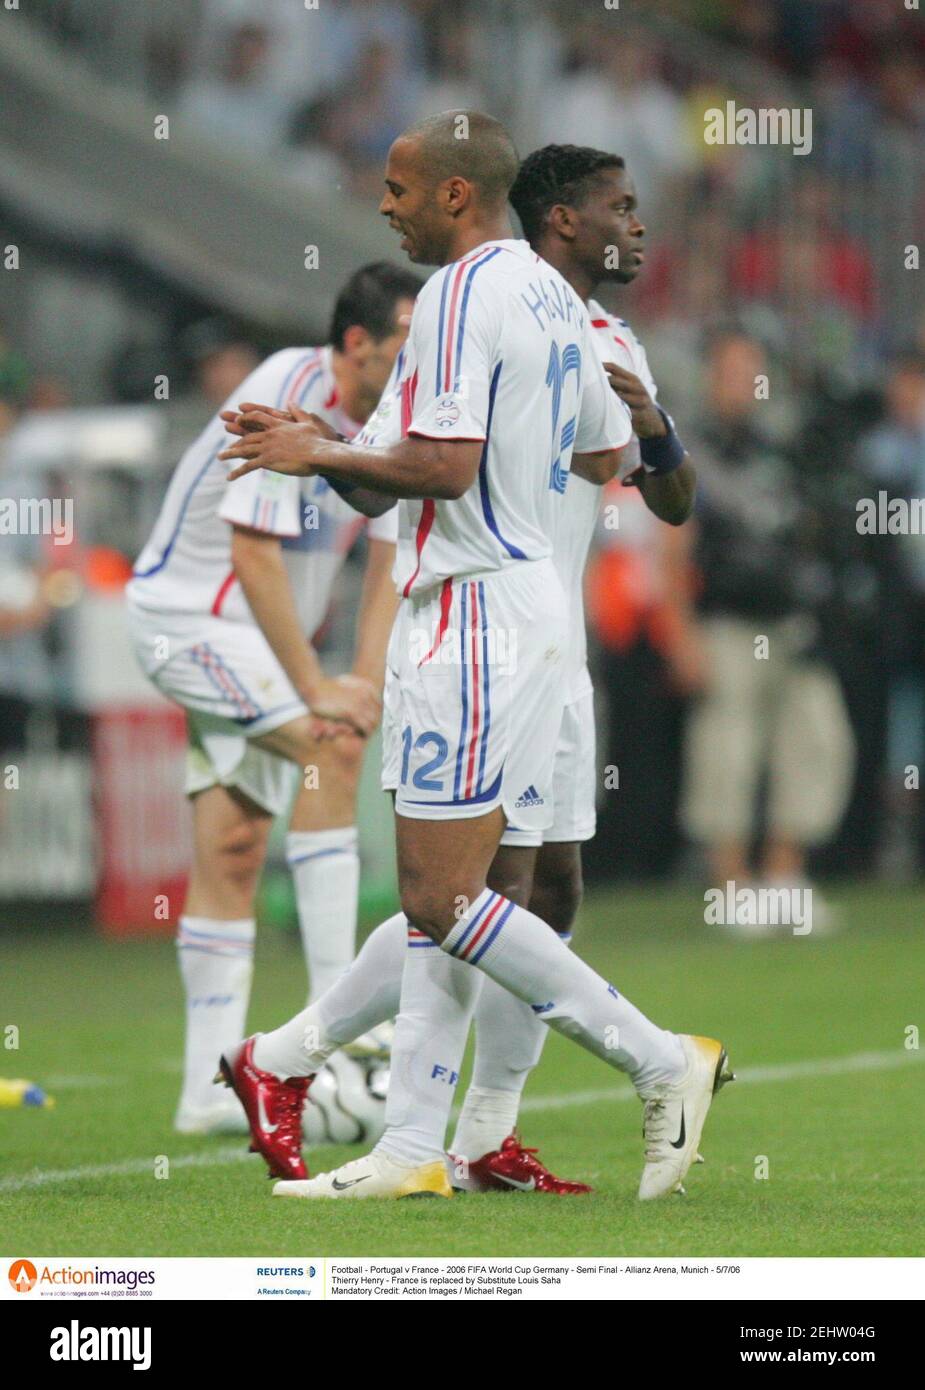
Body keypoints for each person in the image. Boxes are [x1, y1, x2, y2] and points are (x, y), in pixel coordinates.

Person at [218, 112, 732, 1202]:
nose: (384, 205)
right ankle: (417, 1143)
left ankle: (657, 1059)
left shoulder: (463, 294)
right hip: (525, 609)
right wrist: (330, 455)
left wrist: (320, 447)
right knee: (474, 894)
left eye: (399, 187)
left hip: (475, 610)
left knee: (446, 895)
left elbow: (447, 472)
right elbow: (584, 454)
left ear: (458, 195)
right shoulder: (556, 306)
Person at [125, 262, 419, 1134]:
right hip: (188, 623)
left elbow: (387, 556)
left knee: (234, 849)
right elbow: (251, 549)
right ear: (356, 342)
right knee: (330, 746)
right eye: (404, 342)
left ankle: (208, 1097)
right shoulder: (284, 392)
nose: (417, 360)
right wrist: (318, 690)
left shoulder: (392, 417)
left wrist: (361, 679)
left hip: (246, 642)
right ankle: (336, 1043)